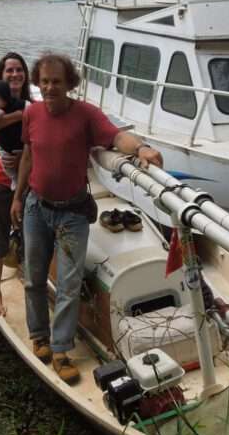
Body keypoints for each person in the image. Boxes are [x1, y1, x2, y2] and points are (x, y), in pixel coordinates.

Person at [11, 52, 162, 384]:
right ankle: (39, 335)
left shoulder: (86, 114)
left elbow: (116, 137)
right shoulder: (32, 113)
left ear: (70, 84)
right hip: (36, 207)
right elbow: (28, 156)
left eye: (57, 82)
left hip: (73, 212)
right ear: (37, 82)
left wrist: (140, 149)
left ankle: (61, 350)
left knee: (69, 284)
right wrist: (18, 197)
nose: (49, 88)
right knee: (34, 278)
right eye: (44, 81)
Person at [0, 52, 32, 317]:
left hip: (28, 181)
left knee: (31, 240)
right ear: (1, 75)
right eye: (9, 70)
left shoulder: (32, 104)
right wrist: (22, 115)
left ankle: (29, 279)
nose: (14, 74)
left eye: (19, 69)